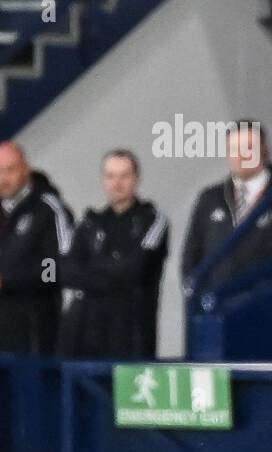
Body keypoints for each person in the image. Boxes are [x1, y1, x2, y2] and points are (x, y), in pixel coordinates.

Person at [60, 150, 169, 358]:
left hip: (132, 334)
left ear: (136, 179)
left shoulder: (153, 220)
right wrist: (113, 268)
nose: (117, 183)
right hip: (86, 335)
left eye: (124, 176)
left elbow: (134, 269)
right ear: (103, 180)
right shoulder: (90, 223)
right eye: (110, 176)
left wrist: (91, 270)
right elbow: (65, 272)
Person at [180, 123, 272, 291]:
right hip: (224, 307)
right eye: (234, 149)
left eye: (248, 147)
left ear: (264, 149)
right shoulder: (210, 199)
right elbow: (191, 257)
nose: (241, 155)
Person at [0, 142, 73, 355]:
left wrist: (9, 280)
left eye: (10, 169)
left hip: (34, 332)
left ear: (26, 169)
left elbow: (55, 269)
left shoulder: (49, 210)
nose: (4, 178)